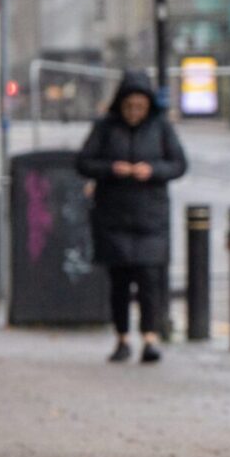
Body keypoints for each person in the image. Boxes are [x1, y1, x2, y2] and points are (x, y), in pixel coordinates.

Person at [76, 70, 188, 363]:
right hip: (113, 216)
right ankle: (122, 337)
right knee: (120, 281)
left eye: (140, 106)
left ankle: (150, 337)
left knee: (150, 278)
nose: (134, 112)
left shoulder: (161, 128)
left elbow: (178, 163)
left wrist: (152, 171)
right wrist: (113, 168)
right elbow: (83, 162)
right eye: (129, 107)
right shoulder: (105, 128)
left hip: (150, 216)